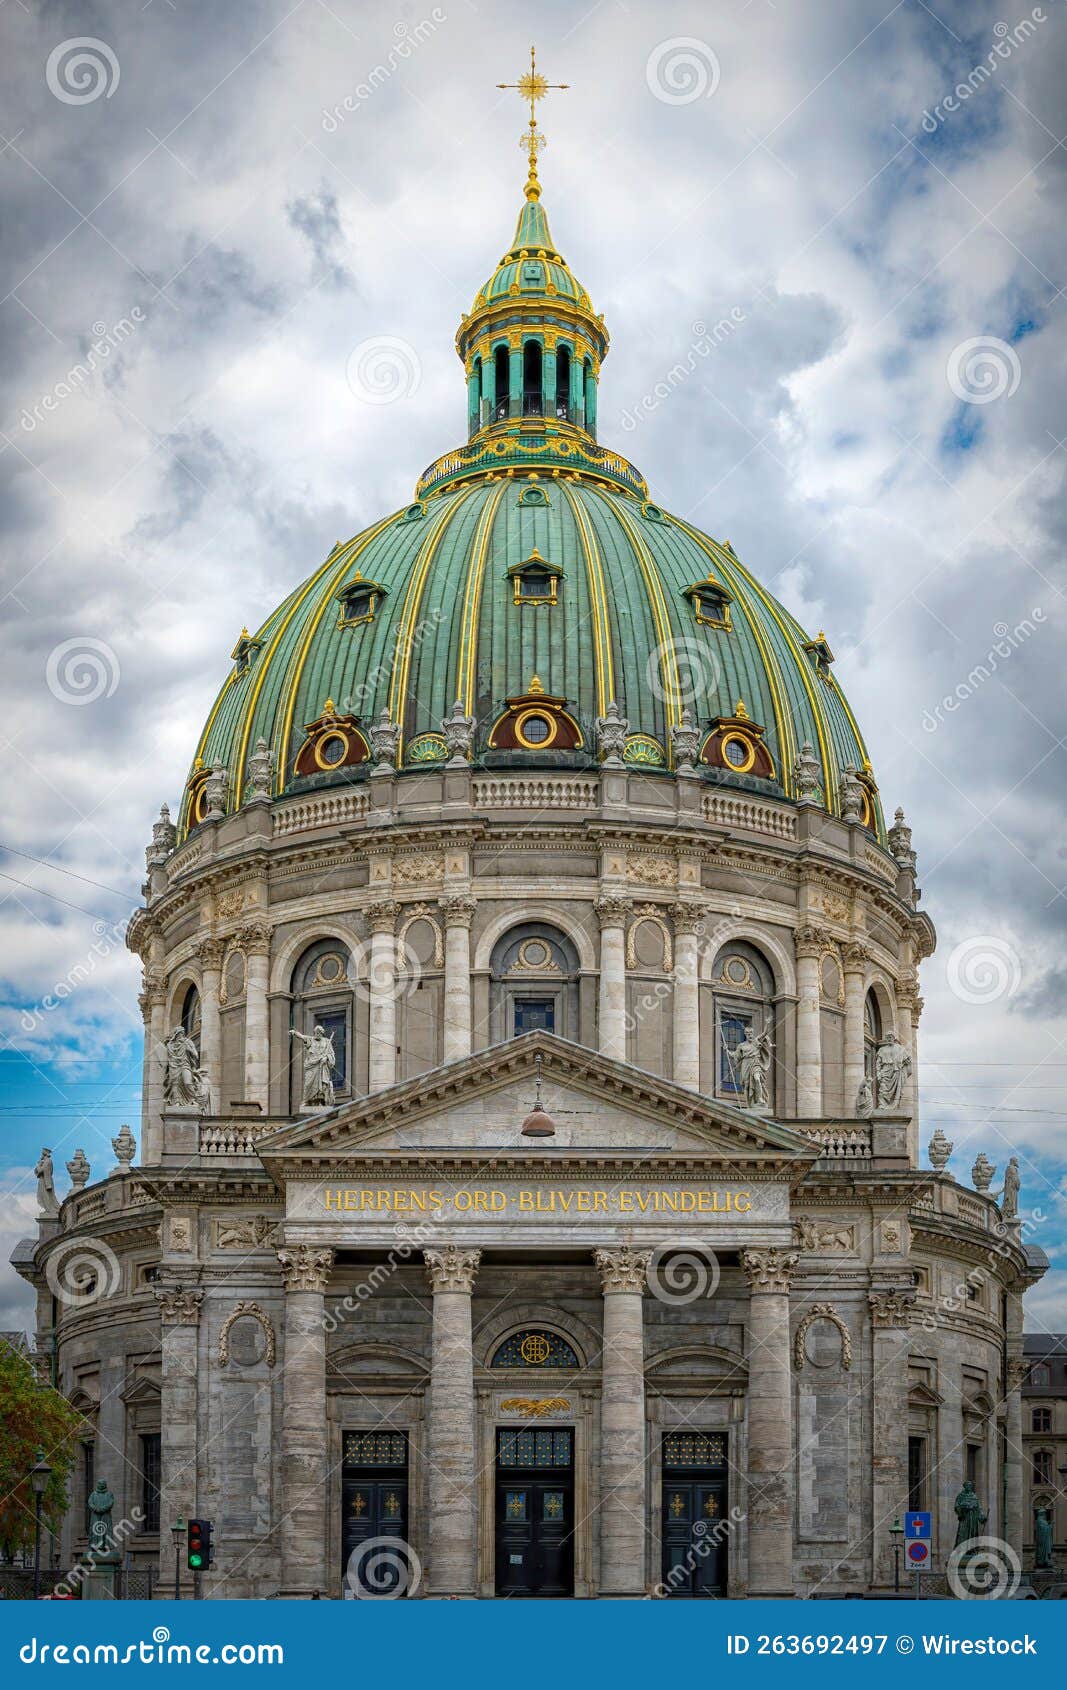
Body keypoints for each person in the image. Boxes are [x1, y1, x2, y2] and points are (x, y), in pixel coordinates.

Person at [291, 1024, 336, 1107]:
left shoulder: (327, 1041)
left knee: (322, 1086)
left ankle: (320, 1101)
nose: (317, 1034)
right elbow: (301, 1036)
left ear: (322, 1033)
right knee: (308, 1083)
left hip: (322, 1066)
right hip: (311, 1065)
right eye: (316, 1033)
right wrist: (294, 1032)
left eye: (319, 1033)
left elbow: (331, 1054)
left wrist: (326, 1058)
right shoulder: (311, 1040)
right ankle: (306, 1100)